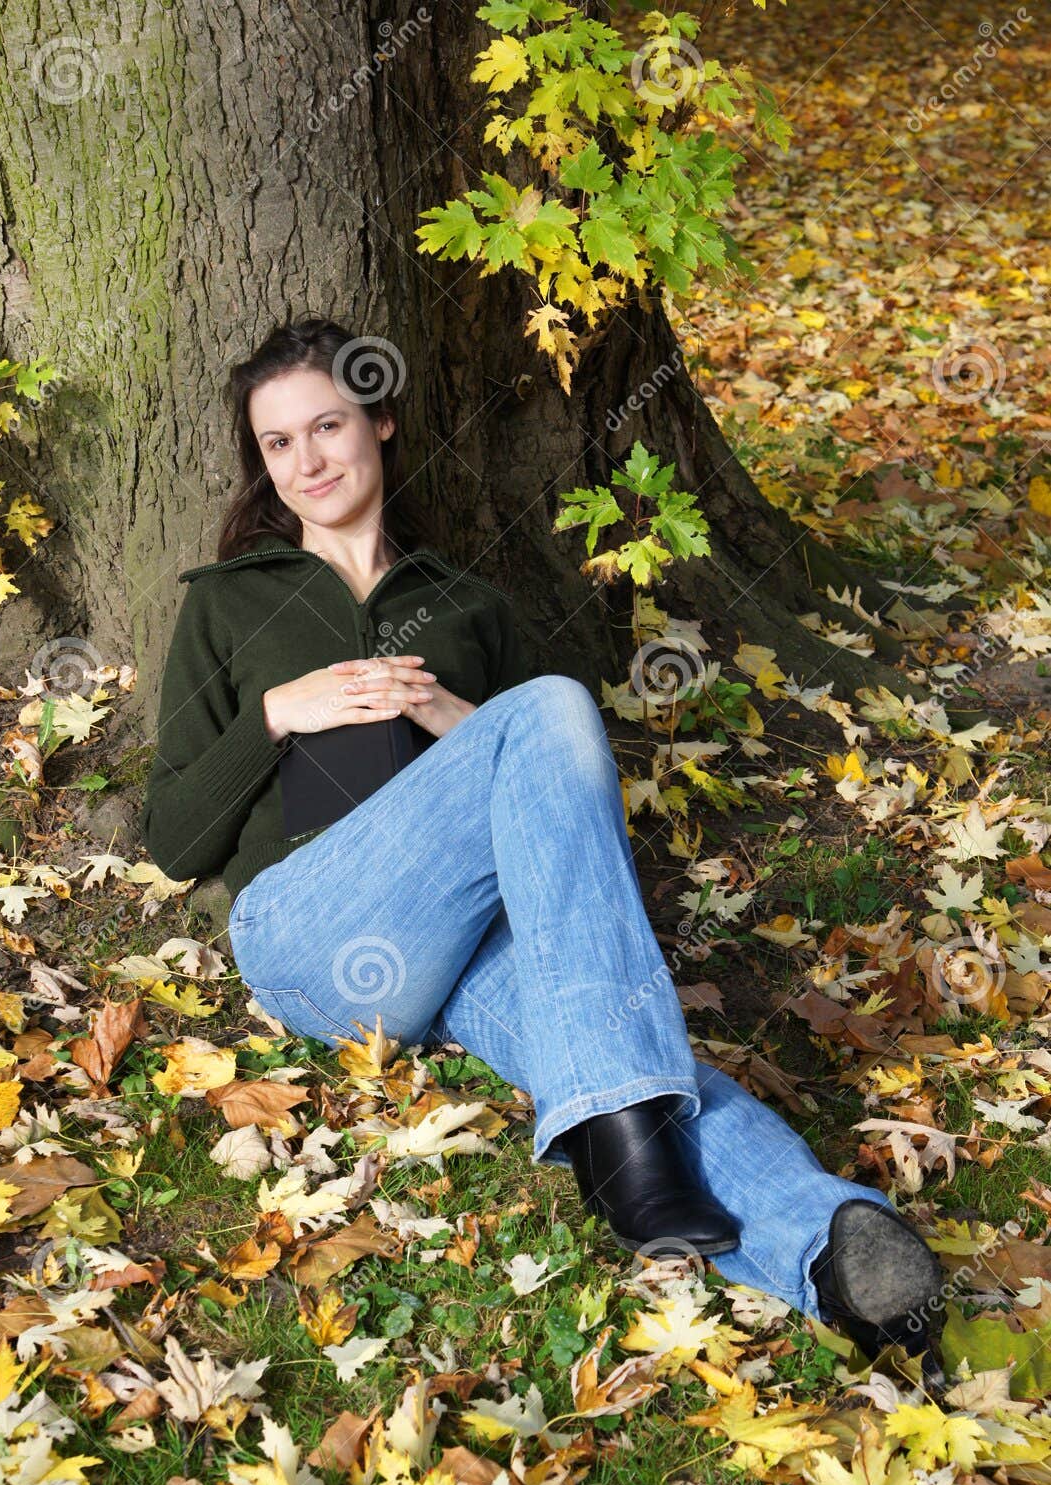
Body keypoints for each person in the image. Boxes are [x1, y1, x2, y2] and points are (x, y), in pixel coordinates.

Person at [140, 315, 945, 1366]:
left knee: (614, 1040)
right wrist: (279, 712)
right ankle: (630, 1150)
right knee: (555, 709)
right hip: (307, 933)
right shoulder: (227, 606)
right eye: (279, 443)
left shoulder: (467, 606)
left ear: (380, 422)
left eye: (327, 426)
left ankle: (832, 1253)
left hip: (462, 948)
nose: (306, 461)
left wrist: (454, 723)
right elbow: (172, 838)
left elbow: (556, 798)